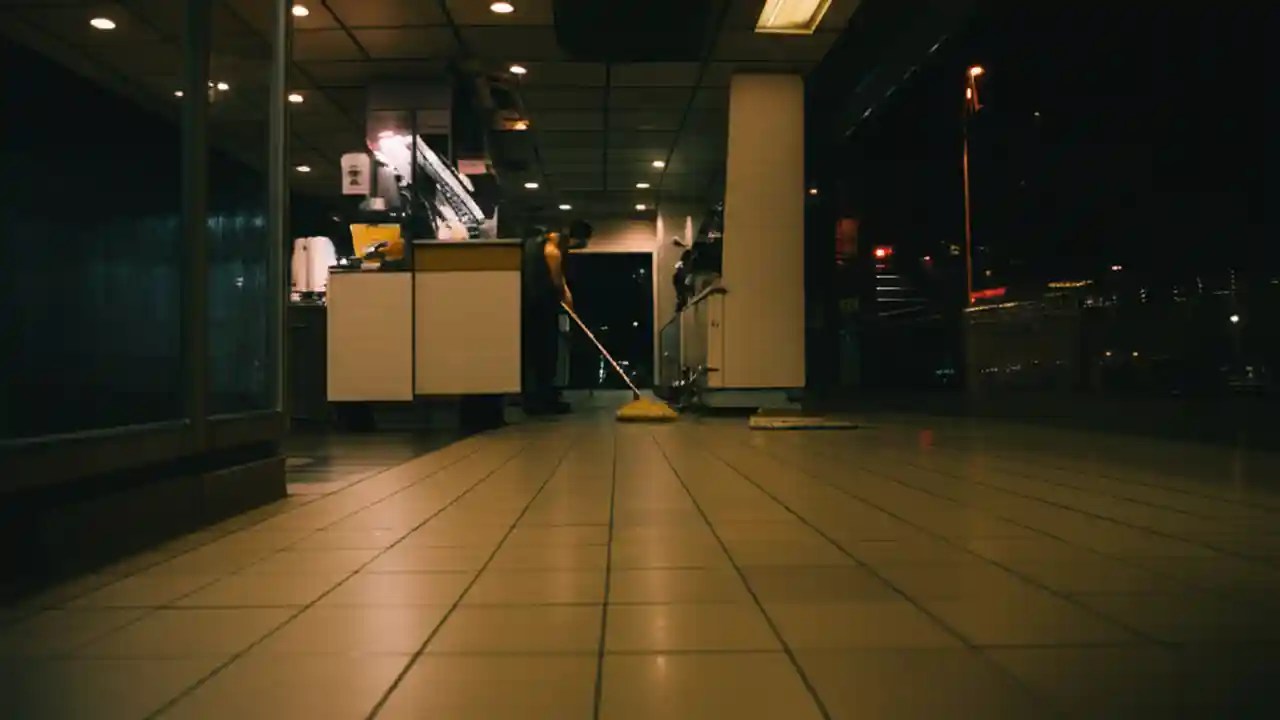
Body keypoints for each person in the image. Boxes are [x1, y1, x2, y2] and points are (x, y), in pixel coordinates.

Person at [522, 221, 590, 415]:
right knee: (545, 353)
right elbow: (558, 282)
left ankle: (538, 398)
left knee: (537, 355)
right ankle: (542, 401)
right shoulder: (552, 251)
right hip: (540, 307)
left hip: (532, 306)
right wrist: (569, 303)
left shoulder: (536, 243)